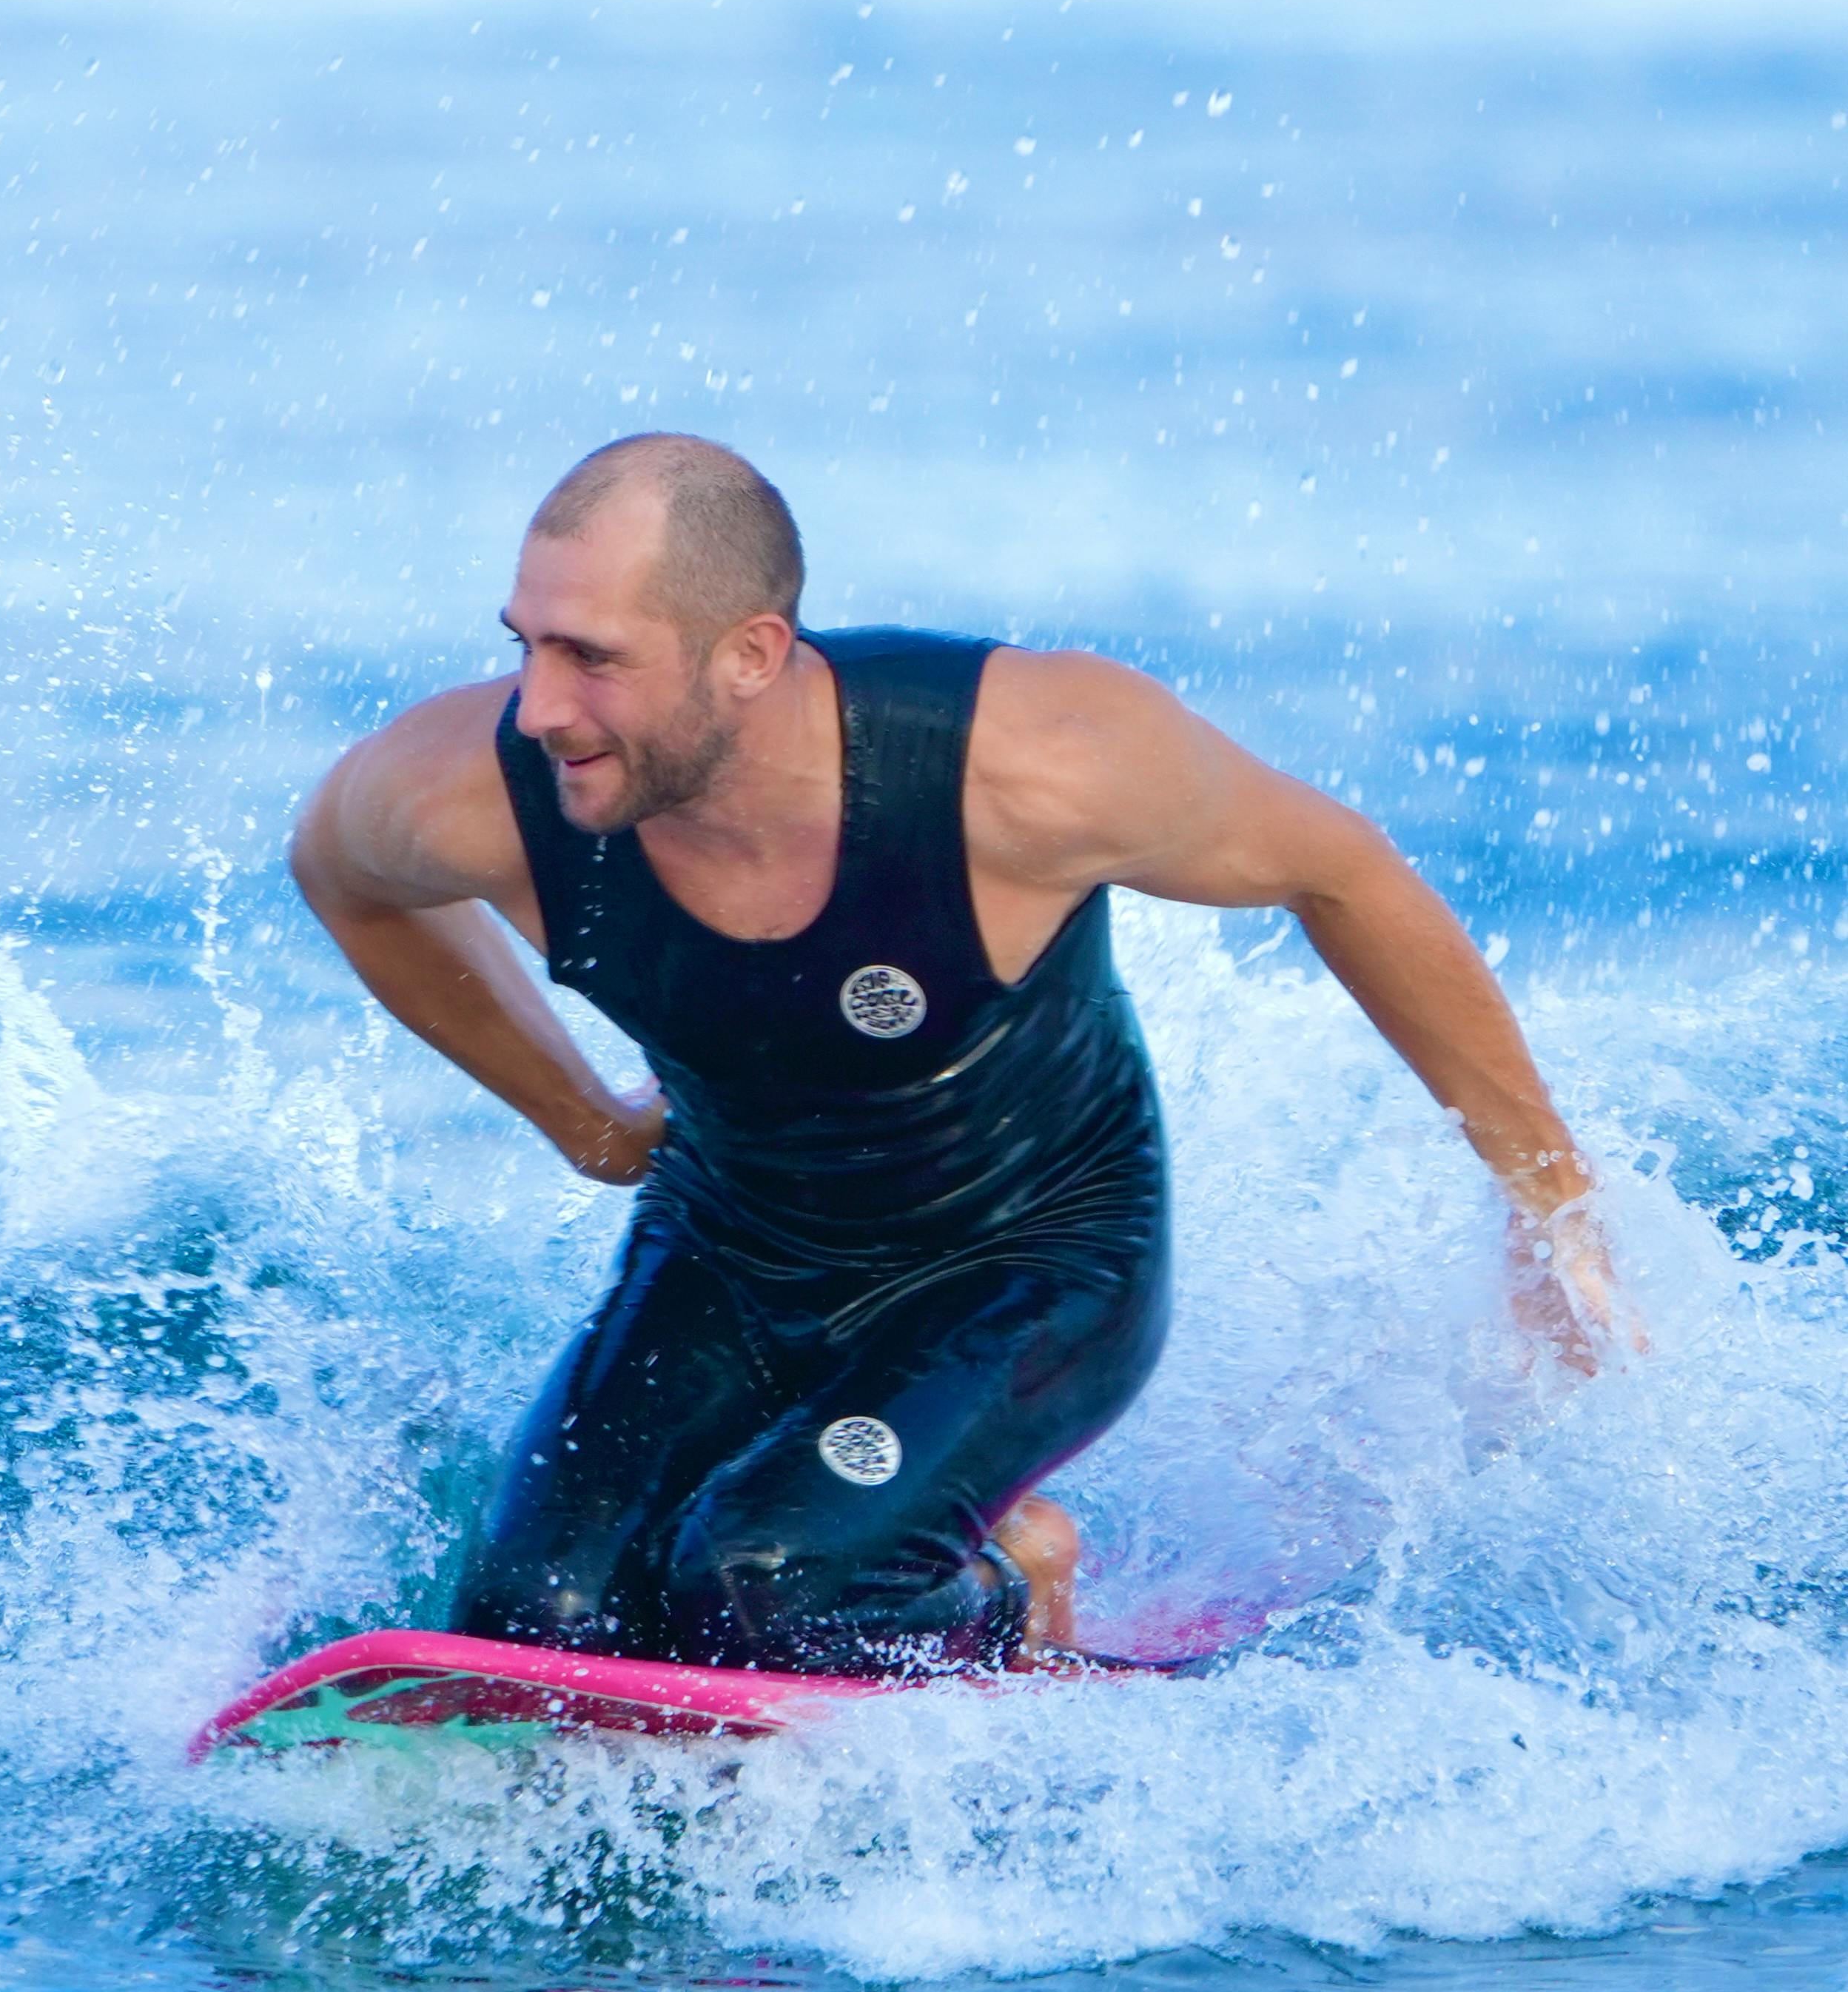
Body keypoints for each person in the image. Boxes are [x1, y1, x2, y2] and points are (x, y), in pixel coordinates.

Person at [289, 432, 1623, 1675]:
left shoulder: (1024, 764)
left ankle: (1010, 1572)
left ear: (751, 654)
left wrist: (1550, 1198)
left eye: (594, 657)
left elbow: (1342, 874)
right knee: (541, 1619)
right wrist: (582, 1121)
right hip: (736, 1244)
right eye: (523, 645)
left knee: (767, 1586)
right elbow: (341, 876)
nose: (536, 709)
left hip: (1032, 1262)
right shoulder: (481, 796)